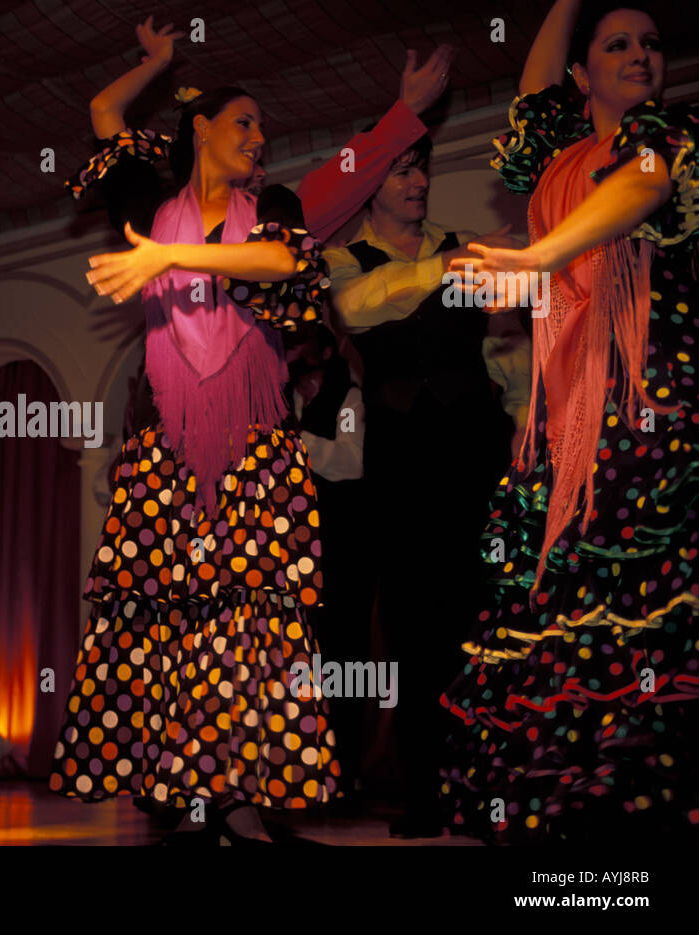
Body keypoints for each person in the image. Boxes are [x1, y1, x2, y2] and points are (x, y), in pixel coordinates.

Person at [48, 20, 339, 845]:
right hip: (167, 441)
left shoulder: (269, 209)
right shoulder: (150, 202)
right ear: (200, 129)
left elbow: (285, 265)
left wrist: (167, 264)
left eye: (261, 126)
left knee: (249, 620)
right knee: (166, 614)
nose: (258, 135)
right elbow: (104, 108)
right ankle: (178, 795)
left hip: (254, 440)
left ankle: (241, 799)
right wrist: (160, 62)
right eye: (241, 121)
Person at [439, 0, 697, 842]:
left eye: (653, 44)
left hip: (647, 397)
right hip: (559, 412)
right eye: (616, 46)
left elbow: (647, 182)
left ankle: (642, 806)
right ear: (584, 75)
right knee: (551, 595)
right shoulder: (557, 156)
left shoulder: (671, 137)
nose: (641, 56)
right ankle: (571, 814)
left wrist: (538, 258)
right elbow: (534, 88)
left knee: (642, 592)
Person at [323, 133, 532, 835]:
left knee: (482, 616)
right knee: (412, 625)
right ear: (371, 187)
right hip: (400, 458)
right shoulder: (342, 260)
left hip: (475, 445)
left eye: (422, 171)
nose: (418, 183)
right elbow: (361, 309)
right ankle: (421, 793)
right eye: (403, 172)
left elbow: (507, 337)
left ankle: (486, 787)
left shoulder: (463, 243)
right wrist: (455, 268)